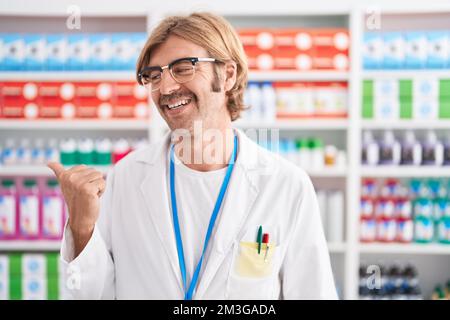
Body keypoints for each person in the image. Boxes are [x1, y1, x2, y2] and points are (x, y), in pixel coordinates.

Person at [48, 12, 337, 300]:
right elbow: (93, 295)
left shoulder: (286, 185)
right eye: (153, 76)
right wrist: (82, 225)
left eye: (184, 68)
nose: (166, 87)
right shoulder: (127, 176)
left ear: (227, 75)